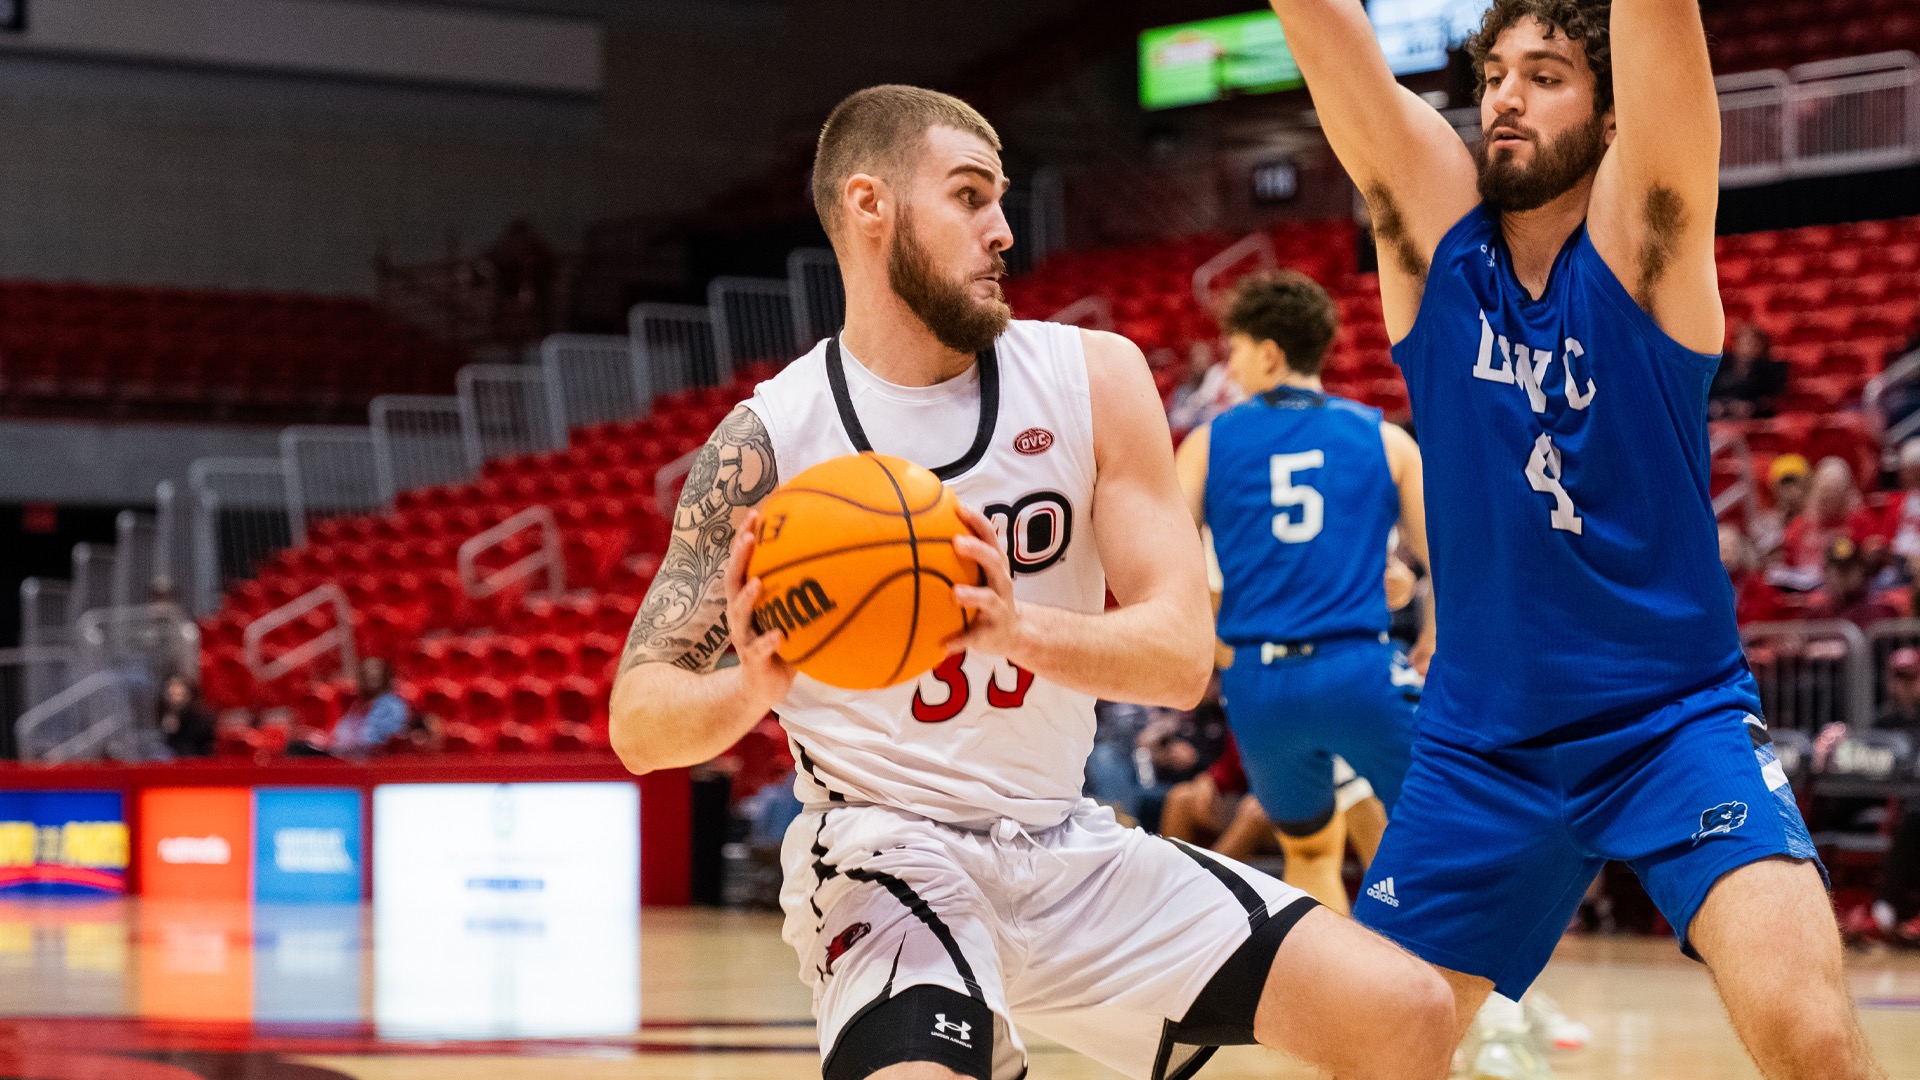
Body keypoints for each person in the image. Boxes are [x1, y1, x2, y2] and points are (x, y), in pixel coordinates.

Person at [609, 85, 1453, 1080]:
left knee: (1408, 1012)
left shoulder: (1092, 377)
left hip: (1072, 844)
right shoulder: (767, 442)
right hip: (887, 853)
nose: (1003, 230)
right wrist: (748, 687)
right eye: (969, 197)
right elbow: (638, 723)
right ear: (869, 205)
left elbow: (1182, 659)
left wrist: (1010, 629)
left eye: (1002, 200)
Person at [1268, 0, 1882, 1077]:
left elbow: (1661, 25)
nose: (1504, 95)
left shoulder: (1651, 242)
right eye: (1494, 73)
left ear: (1609, 121)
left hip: (1671, 724)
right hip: (1480, 746)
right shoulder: (1431, 243)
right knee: (1369, 1049)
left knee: (1812, 1039)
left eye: (1544, 74)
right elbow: (1327, 34)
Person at [1173, 269, 1431, 914]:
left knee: (1310, 852)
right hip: (1359, 669)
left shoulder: (1206, 444)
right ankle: (1439, 993)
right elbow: (1446, 562)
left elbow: (1170, 564)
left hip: (1259, 683)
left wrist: (1208, 644)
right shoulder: (1388, 440)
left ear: (1268, 352)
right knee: (1430, 840)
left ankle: (1341, 996)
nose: (1230, 369)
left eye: (1234, 352)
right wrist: (1432, 638)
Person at [1776, 456, 1885, 591]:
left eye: (1835, 493)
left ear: (1845, 494)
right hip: (1804, 591)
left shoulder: (1860, 521)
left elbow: (1871, 558)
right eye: (1825, 492)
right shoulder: (1799, 525)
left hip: (1847, 589)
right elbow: (1788, 564)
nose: (1829, 498)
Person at [327, 658, 411, 756]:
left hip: (375, 760)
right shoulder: (355, 706)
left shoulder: (394, 706)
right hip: (345, 756)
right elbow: (341, 734)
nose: (372, 674)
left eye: (376, 671)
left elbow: (386, 739)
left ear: (385, 677)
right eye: (367, 672)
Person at [1708, 321, 1789, 420]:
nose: (1747, 348)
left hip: (1757, 422)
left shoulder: (1773, 370)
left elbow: (1773, 401)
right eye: (1743, 342)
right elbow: (1709, 393)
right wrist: (1716, 405)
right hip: (1719, 419)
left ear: (1762, 346)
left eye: (1753, 343)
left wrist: (1752, 408)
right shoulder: (1721, 364)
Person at [1749, 452, 1809, 559]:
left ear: (1805, 487)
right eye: (1784, 485)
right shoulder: (1764, 522)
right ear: (1775, 489)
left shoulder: (1814, 521)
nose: (1790, 491)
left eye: (1795, 484)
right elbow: (1760, 559)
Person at [157, 675, 215, 758]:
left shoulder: (199, 717)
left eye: (178, 695)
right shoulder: (170, 715)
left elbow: (194, 744)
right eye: (171, 695)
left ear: (189, 695)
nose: (174, 700)